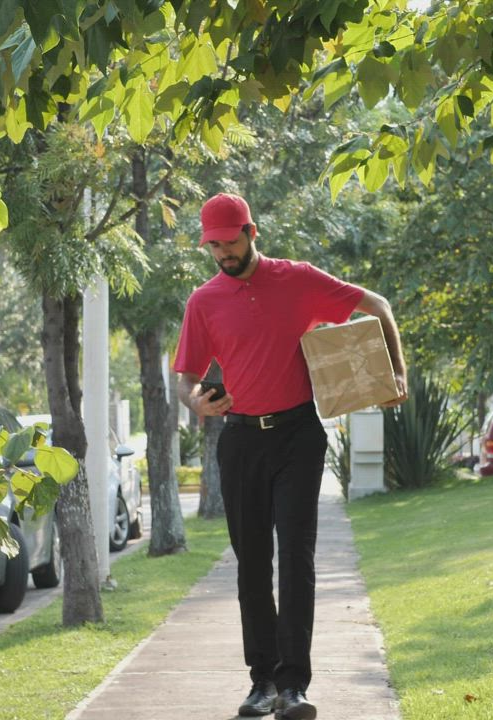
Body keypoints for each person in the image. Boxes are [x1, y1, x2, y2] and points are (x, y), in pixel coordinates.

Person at [173, 193, 407, 720]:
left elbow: (379, 307)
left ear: (251, 232)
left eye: (230, 242)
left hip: (299, 435)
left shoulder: (298, 279)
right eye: (213, 245)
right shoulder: (203, 301)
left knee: (295, 560)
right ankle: (262, 684)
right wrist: (197, 401)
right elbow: (186, 378)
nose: (222, 253)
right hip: (240, 441)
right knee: (252, 564)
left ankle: (293, 686)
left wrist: (398, 374)